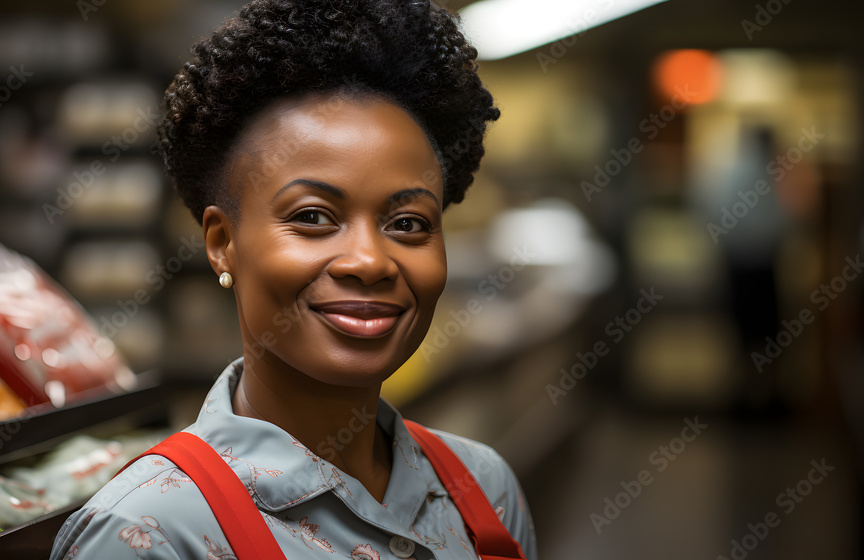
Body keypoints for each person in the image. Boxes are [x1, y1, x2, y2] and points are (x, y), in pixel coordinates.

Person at [50, 0, 537, 558]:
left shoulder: (485, 492)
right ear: (222, 245)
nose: (369, 261)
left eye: (408, 223)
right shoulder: (149, 533)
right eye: (312, 217)